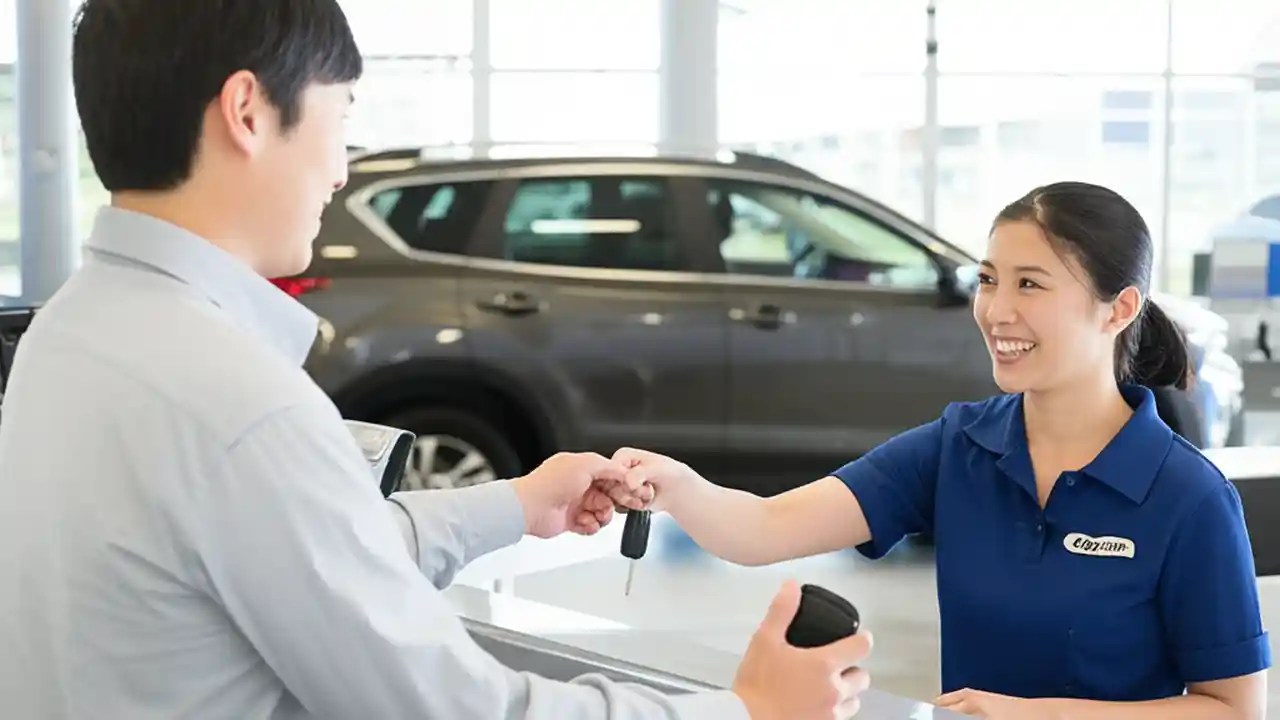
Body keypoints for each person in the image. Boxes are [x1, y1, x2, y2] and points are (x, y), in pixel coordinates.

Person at [0, 2, 873, 719]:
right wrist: (745, 711)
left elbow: (298, 549)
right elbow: (457, 711)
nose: (342, 169)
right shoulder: (238, 403)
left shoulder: (70, 337)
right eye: (342, 117)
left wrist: (516, 504)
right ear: (248, 112)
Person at [607, 182, 1271, 719]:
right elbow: (764, 529)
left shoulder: (1188, 498)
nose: (996, 311)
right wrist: (676, 486)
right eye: (988, 280)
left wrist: (1032, 715)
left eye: (1030, 285)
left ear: (1118, 308)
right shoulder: (960, 448)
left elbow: (1233, 710)